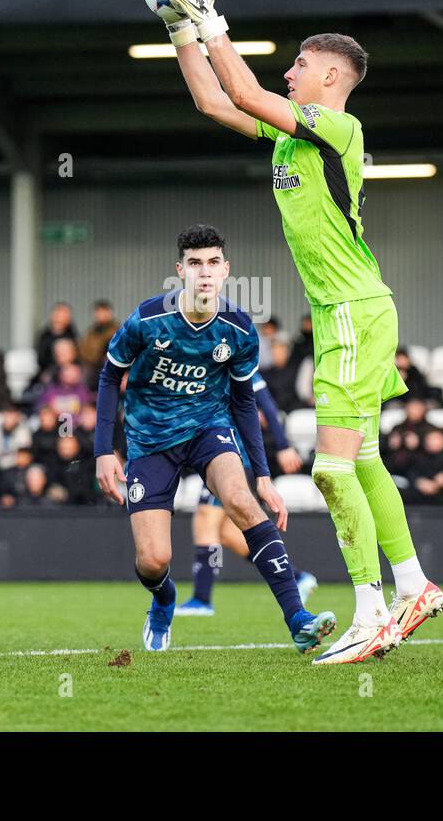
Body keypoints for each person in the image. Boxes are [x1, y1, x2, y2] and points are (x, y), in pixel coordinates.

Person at [152, 0, 443, 663]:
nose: (289, 73)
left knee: (330, 472)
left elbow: (247, 88)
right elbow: (216, 103)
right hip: (356, 311)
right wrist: (180, 27)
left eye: (301, 64)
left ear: (332, 79)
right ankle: (414, 586)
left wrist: (213, 15)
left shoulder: (339, 128)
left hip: (350, 311)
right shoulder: (292, 136)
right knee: (364, 461)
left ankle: (371, 610)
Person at [93, 225, 335, 655]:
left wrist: (262, 474)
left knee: (242, 502)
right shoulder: (148, 319)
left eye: (212, 264)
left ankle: (298, 619)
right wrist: (102, 452)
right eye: (194, 264)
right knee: (153, 560)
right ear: (180, 270)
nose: (204, 273)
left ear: (226, 270)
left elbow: (244, 401)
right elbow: (111, 374)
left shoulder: (239, 330)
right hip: (150, 440)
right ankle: (164, 598)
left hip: (209, 428)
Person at [176, 370, 317, 616]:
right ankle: (296, 576)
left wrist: (283, 446)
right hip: (216, 454)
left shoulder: (238, 363)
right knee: (227, 534)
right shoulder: (206, 363)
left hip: (231, 457)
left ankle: (201, 599)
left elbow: (267, 406)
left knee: (205, 519)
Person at [404, 428, 443, 505]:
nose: (432, 442)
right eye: (430, 439)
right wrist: (418, 482)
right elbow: (410, 471)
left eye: (436, 439)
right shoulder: (419, 455)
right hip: (419, 494)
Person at [78, 300, 119, 378]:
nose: (100, 315)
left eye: (103, 311)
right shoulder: (91, 332)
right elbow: (84, 350)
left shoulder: (117, 331)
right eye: (98, 312)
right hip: (90, 366)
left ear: (109, 313)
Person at [35, 303, 77, 377]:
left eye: (66, 314)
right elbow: (41, 358)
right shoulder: (45, 336)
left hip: (68, 371)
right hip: (49, 371)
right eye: (60, 314)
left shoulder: (72, 334)